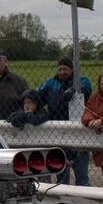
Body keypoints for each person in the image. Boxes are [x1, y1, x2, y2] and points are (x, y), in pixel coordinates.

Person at [36, 57, 92, 185]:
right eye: (60, 69)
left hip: (78, 132)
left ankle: (84, 193)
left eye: (65, 69)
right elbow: (36, 97)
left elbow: (86, 88)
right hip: (57, 132)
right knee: (61, 174)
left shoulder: (81, 80)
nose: (62, 72)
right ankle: (63, 194)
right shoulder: (50, 83)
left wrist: (74, 90)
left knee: (82, 175)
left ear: (72, 70)